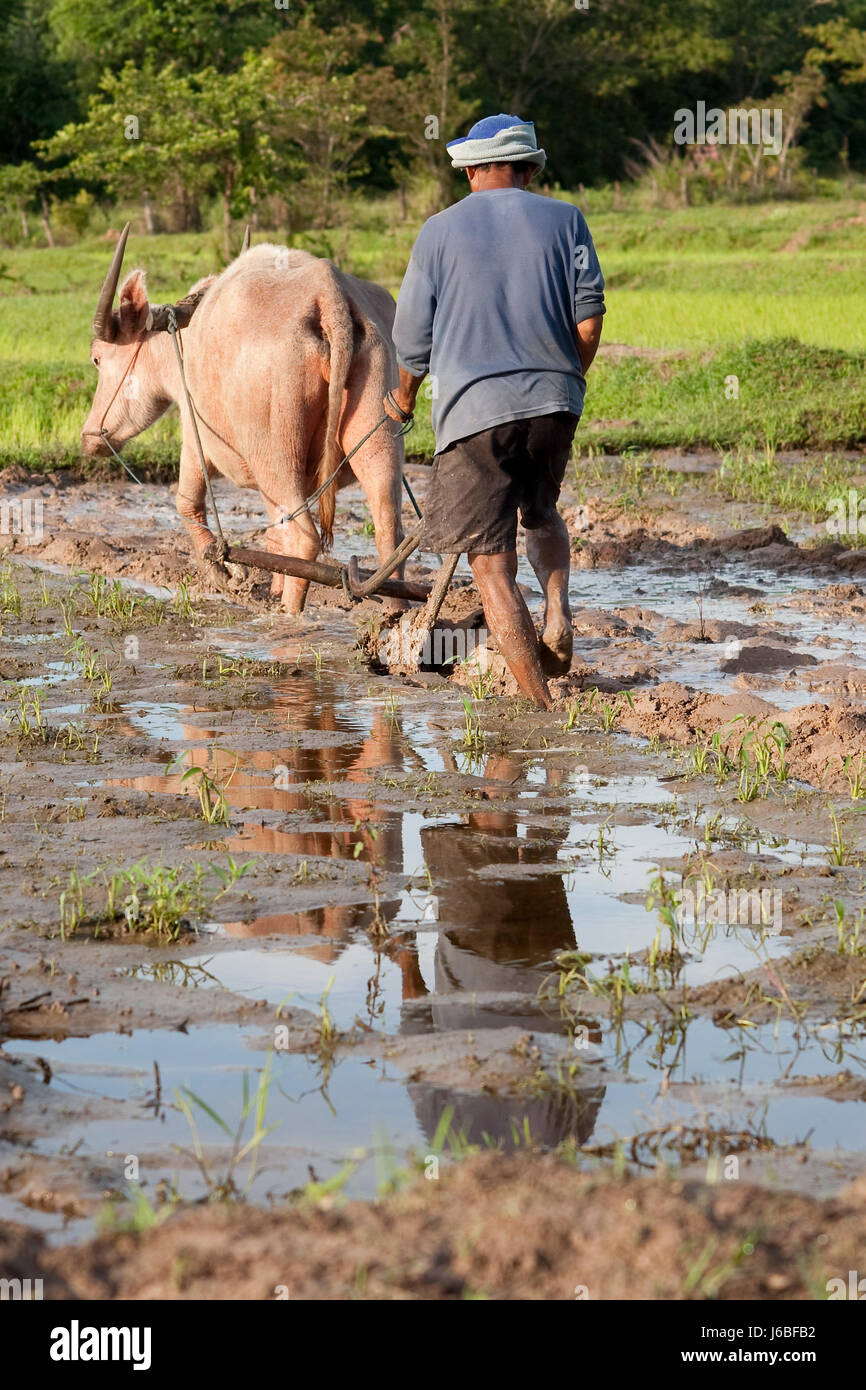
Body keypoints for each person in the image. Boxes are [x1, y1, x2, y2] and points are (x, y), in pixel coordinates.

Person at [385, 113, 605, 708]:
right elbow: (589, 320)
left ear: (474, 170)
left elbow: (412, 340)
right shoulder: (568, 220)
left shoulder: (437, 231)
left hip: (473, 412)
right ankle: (557, 612)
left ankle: (538, 706)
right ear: (530, 168)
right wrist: (562, 382)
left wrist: (402, 398)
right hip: (555, 402)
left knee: (490, 567)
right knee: (542, 512)